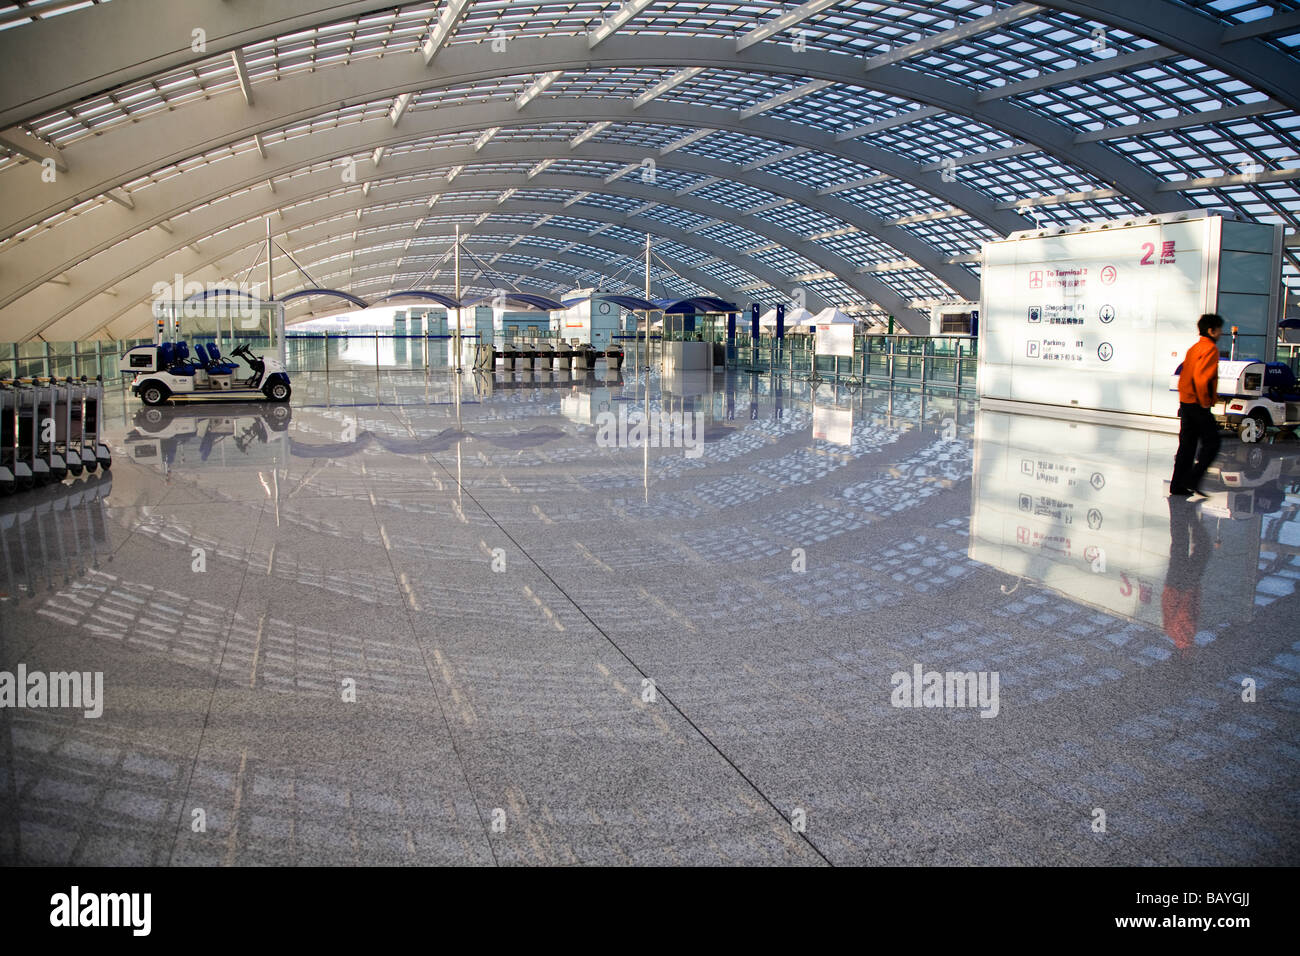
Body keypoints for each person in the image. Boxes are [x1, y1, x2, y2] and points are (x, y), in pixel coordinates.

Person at [1170, 313, 1224, 497]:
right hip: (1197, 403)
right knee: (1213, 442)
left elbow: (1186, 374)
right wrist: (1204, 402)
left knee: (1187, 445)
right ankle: (1192, 479)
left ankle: (1177, 485)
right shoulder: (1210, 349)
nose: (1221, 333)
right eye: (1219, 330)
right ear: (1211, 330)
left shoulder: (1194, 348)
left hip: (1185, 402)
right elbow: (1202, 378)